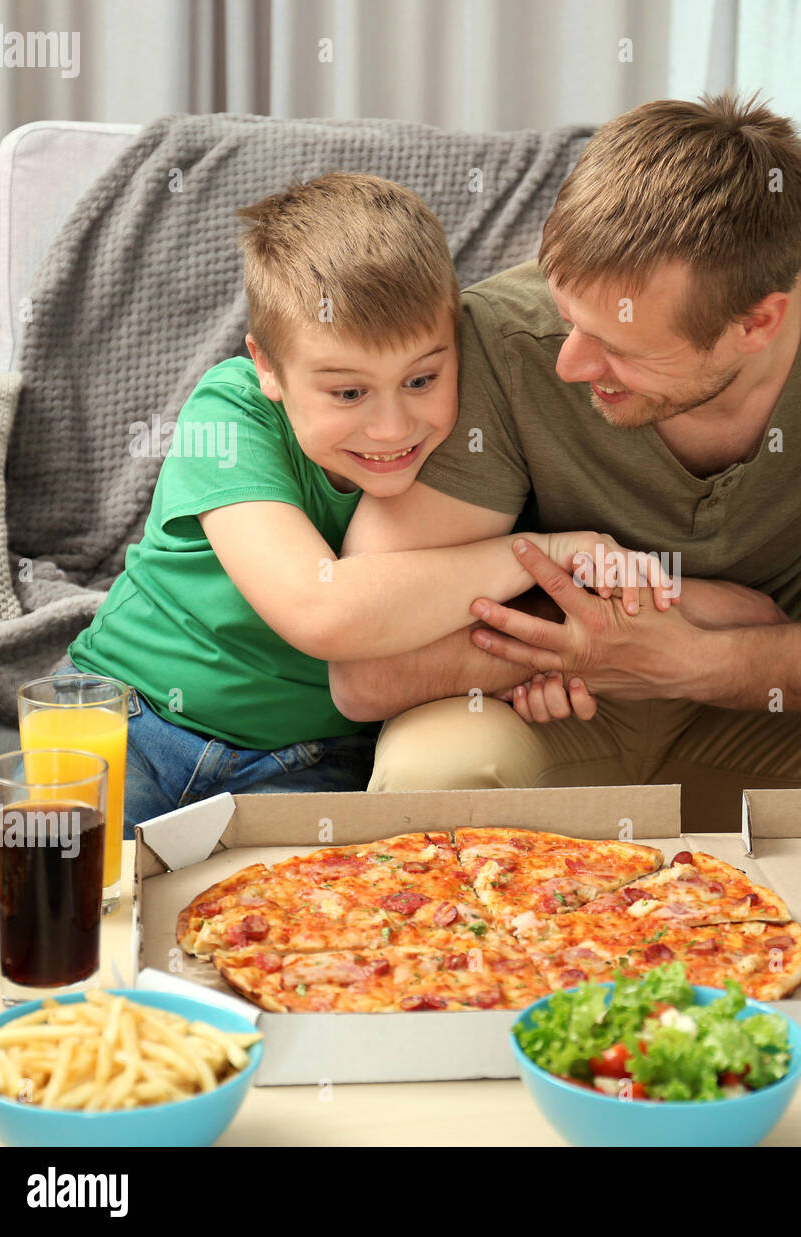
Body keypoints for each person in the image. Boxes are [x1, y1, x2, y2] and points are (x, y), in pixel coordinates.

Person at [328, 93, 801, 831]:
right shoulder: (499, 338)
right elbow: (367, 669)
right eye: (568, 317)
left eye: (618, 346)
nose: (572, 363)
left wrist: (705, 662)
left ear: (756, 322)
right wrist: (584, 647)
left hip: (771, 706)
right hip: (556, 714)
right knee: (434, 774)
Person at [64, 172, 626, 827]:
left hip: (311, 760)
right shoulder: (231, 412)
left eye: (422, 378)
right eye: (348, 393)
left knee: (321, 918)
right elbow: (319, 607)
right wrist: (542, 554)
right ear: (269, 367)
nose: (393, 428)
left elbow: (483, 626)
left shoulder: (478, 443)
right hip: (131, 719)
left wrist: (520, 678)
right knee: (30, 889)